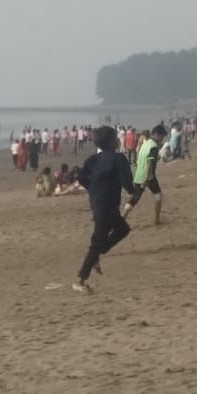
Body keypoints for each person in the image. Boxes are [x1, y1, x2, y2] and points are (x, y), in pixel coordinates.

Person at [72, 126, 137, 294]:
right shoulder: (118, 159)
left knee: (123, 229)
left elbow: (80, 177)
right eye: (116, 138)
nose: (118, 140)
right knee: (97, 242)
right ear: (111, 141)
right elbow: (128, 184)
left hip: (98, 203)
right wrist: (135, 190)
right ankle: (80, 281)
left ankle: (96, 255)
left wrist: (93, 188)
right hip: (107, 205)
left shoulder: (93, 159)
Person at [123, 123, 165, 225]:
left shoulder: (146, 143)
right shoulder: (154, 146)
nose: (162, 139)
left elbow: (141, 159)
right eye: (162, 136)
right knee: (158, 195)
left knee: (135, 198)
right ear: (157, 134)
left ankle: (122, 218)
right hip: (148, 176)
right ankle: (156, 220)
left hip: (138, 174)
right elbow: (150, 163)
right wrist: (146, 179)